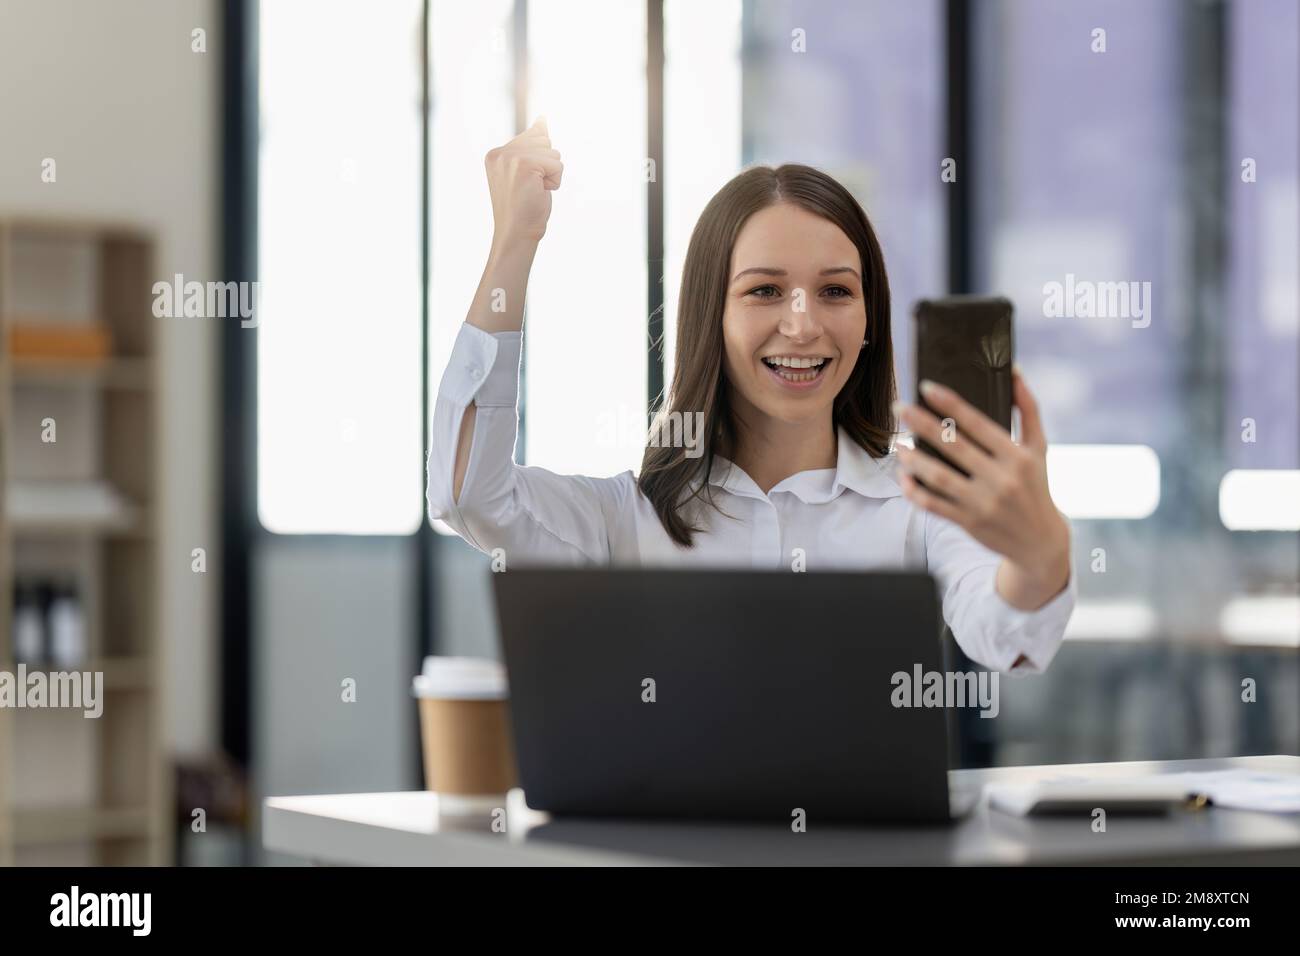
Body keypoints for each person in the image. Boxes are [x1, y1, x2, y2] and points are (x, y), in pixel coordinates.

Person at [427, 118, 1076, 674]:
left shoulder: (921, 504)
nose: (802, 324)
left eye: (836, 291)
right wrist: (515, 241)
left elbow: (1006, 634)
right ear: (712, 314)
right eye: (765, 291)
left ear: (869, 317)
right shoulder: (623, 521)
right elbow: (467, 494)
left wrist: (1040, 550)